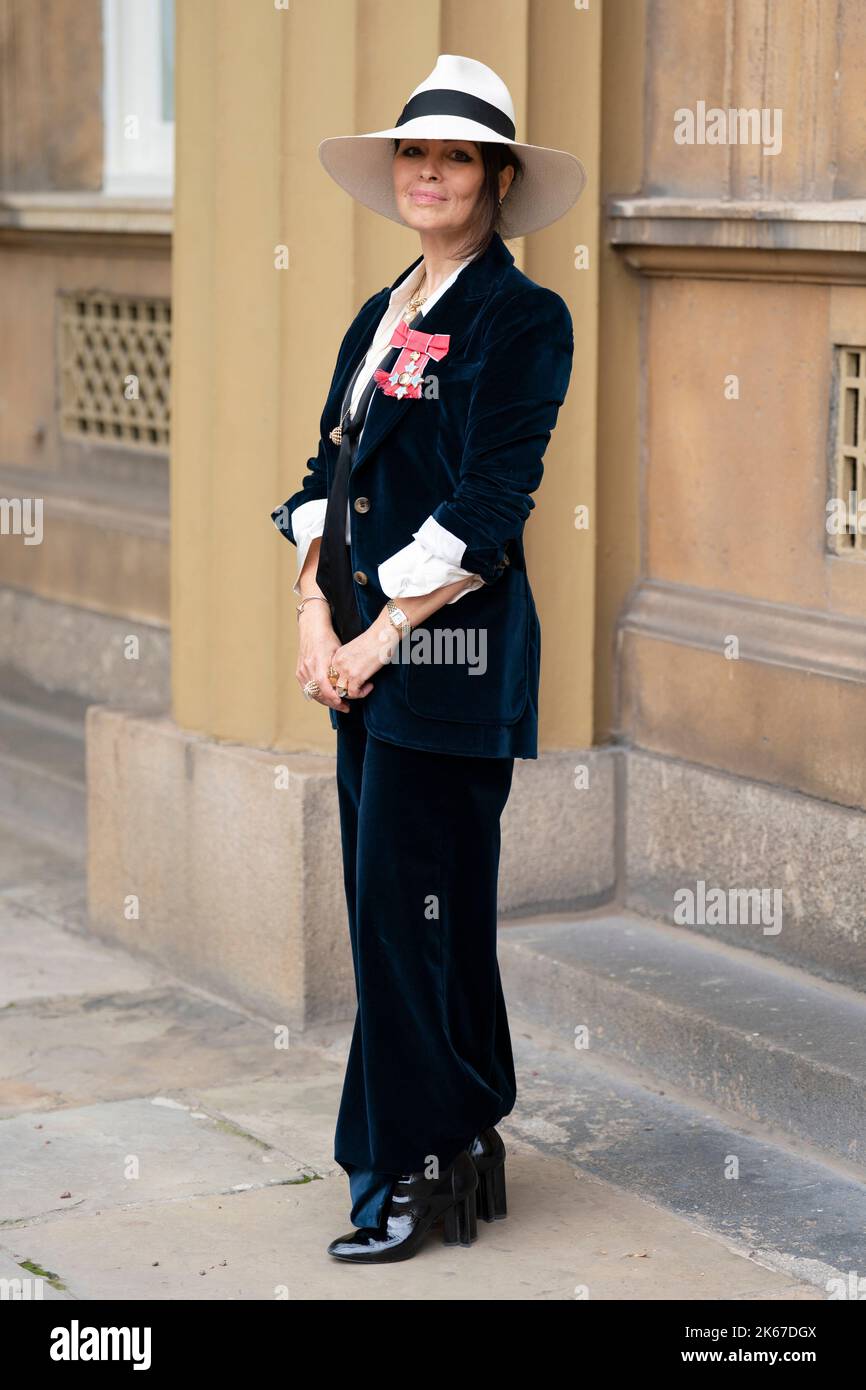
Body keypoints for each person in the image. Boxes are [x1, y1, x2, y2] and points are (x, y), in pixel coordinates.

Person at [270, 53, 585, 1264]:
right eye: (413, 152)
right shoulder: (378, 309)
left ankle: (400, 1164)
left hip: (445, 663)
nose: (426, 173)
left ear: (497, 179)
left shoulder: (520, 318)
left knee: (405, 917)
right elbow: (322, 482)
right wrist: (314, 620)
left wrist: (375, 636)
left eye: (452, 156)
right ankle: (462, 1131)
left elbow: (486, 508)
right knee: (405, 915)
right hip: (359, 660)